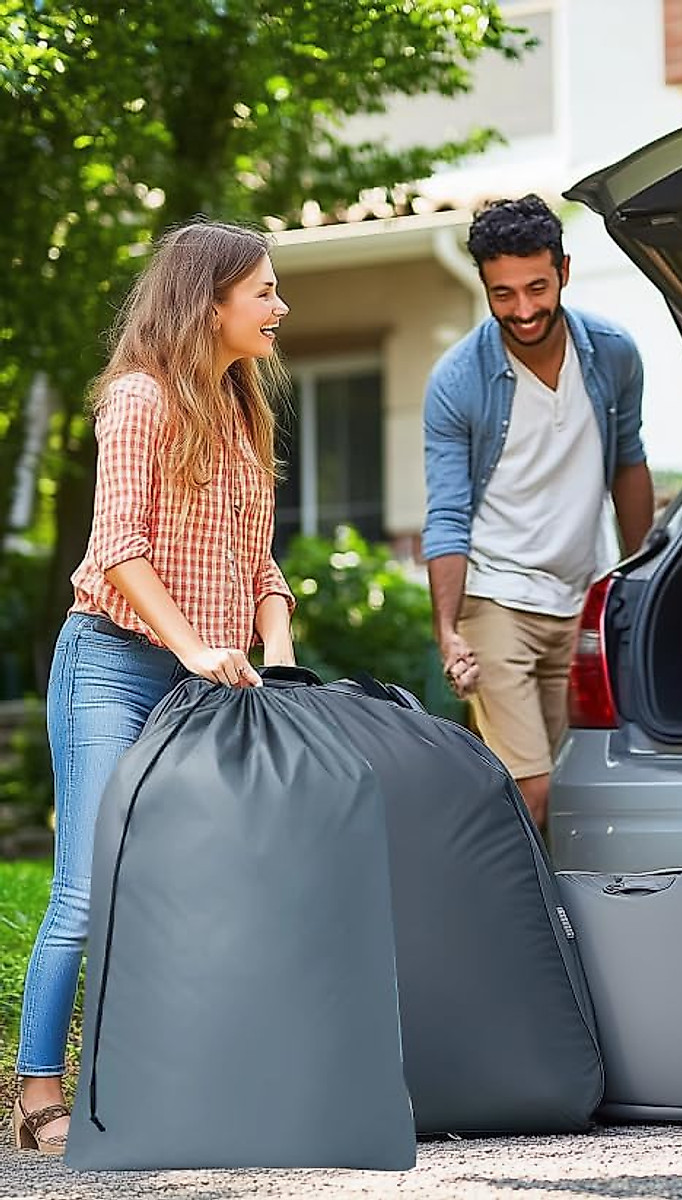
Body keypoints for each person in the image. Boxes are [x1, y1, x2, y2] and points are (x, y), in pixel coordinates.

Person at [13, 221, 296, 1154]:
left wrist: (280, 658)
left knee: (193, 882)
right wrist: (191, 646)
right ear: (207, 302)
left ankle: (165, 1072)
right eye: (262, 291)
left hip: (209, 678)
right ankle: (39, 1090)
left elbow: (261, 568)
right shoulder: (140, 399)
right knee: (89, 888)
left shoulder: (244, 409)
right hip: (113, 660)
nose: (279, 307)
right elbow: (117, 550)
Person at [422, 195, 653, 832]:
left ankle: (562, 918)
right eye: (503, 294)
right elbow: (446, 512)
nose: (523, 311)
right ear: (484, 286)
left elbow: (629, 465)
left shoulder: (611, 355)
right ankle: (518, 928)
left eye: (536, 287)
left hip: (581, 600)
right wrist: (449, 628)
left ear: (564, 272)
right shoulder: (458, 381)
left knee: (567, 793)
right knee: (532, 789)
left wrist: (638, 583)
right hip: (497, 599)